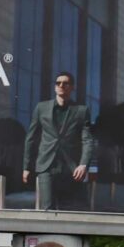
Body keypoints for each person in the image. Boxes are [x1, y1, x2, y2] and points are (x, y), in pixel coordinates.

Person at [21, 72, 93, 211]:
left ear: (72, 87)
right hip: (46, 166)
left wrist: (83, 164)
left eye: (65, 83)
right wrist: (26, 167)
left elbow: (87, 140)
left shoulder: (81, 111)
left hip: (72, 168)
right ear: (55, 87)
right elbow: (31, 138)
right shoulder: (41, 108)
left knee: (72, 210)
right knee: (46, 209)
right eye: (58, 83)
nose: (61, 86)